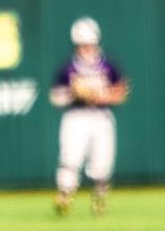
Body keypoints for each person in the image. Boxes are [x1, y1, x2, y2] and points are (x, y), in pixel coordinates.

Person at [49, 17, 130, 217]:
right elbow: (55, 97)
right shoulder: (68, 69)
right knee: (70, 157)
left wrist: (101, 96)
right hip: (76, 116)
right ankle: (64, 195)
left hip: (101, 116)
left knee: (102, 162)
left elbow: (122, 92)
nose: (86, 48)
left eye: (89, 44)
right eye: (82, 45)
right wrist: (74, 94)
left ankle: (99, 199)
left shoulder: (108, 66)